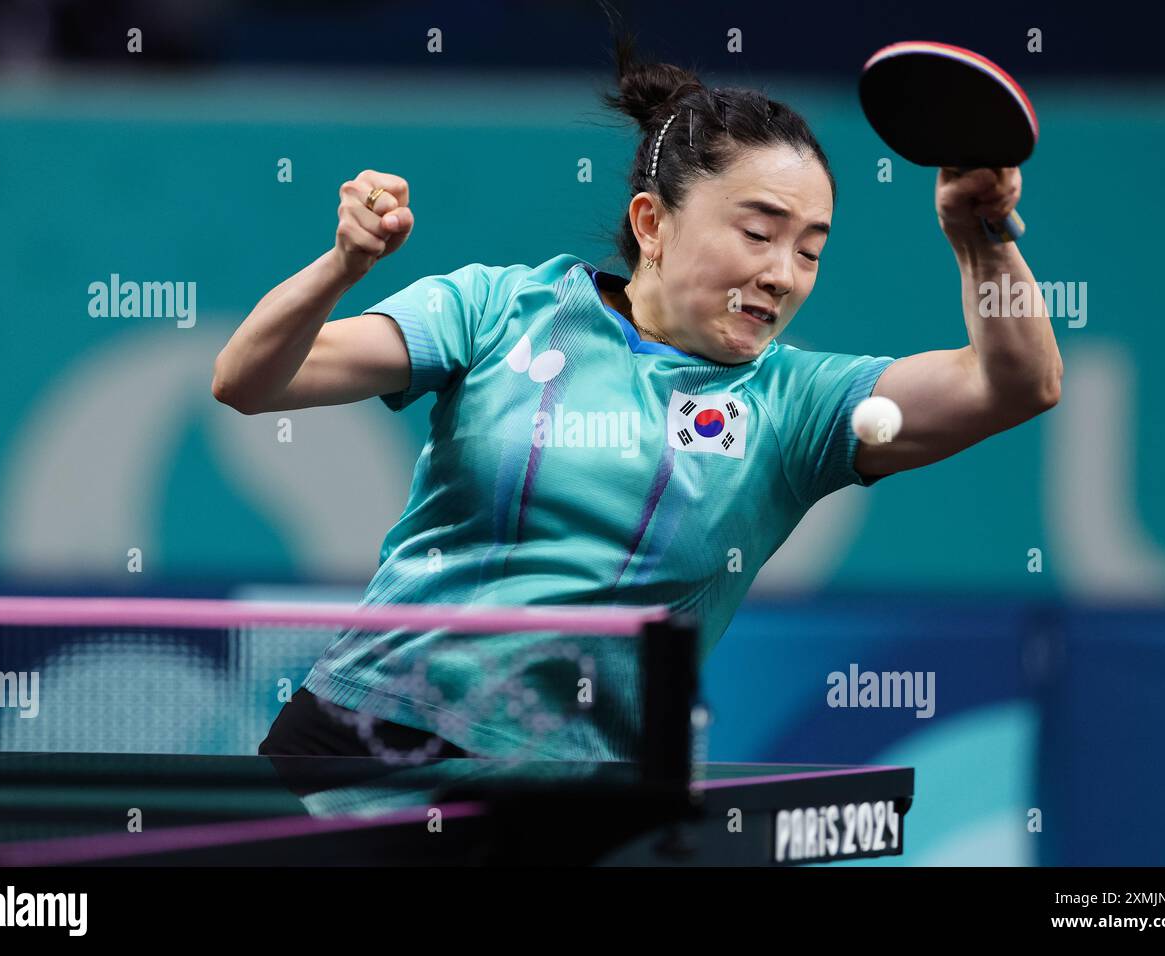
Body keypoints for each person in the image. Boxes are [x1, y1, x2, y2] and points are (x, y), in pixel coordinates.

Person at [216, 33, 1062, 764]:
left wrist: (981, 240)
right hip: (361, 742)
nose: (781, 273)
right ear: (653, 224)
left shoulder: (797, 405)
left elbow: (1014, 385)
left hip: (579, 798)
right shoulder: (499, 309)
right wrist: (344, 267)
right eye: (759, 232)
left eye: (809, 250)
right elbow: (251, 381)